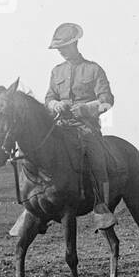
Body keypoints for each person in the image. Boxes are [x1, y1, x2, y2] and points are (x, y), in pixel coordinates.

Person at [43, 22, 117, 231]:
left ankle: (102, 207)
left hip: (86, 127)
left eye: (64, 47)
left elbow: (107, 99)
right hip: (60, 125)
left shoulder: (93, 69)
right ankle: (34, 206)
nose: (61, 52)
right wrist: (55, 104)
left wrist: (85, 109)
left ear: (75, 44)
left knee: (97, 159)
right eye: (59, 49)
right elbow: (49, 97)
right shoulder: (56, 72)